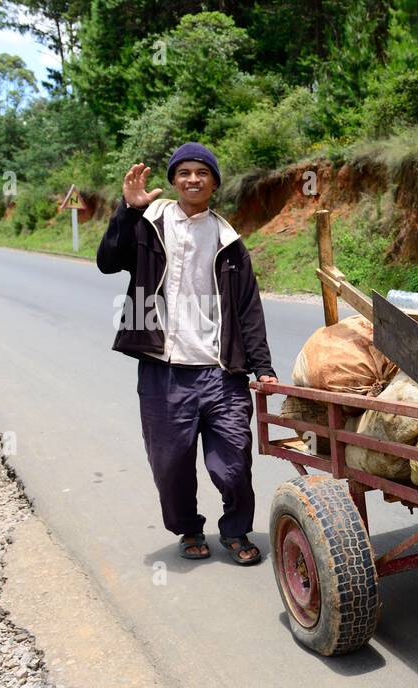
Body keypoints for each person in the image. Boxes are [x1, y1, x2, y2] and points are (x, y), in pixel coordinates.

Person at [97, 142, 276, 565]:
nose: (193, 179)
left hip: (221, 370)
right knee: (171, 464)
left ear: (214, 182)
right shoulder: (149, 222)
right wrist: (128, 209)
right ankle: (190, 529)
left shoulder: (229, 239)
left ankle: (234, 530)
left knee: (233, 462)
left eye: (202, 172)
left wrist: (262, 366)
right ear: (174, 180)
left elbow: (249, 308)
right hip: (165, 370)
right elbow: (108, 261)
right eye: (184, 172)